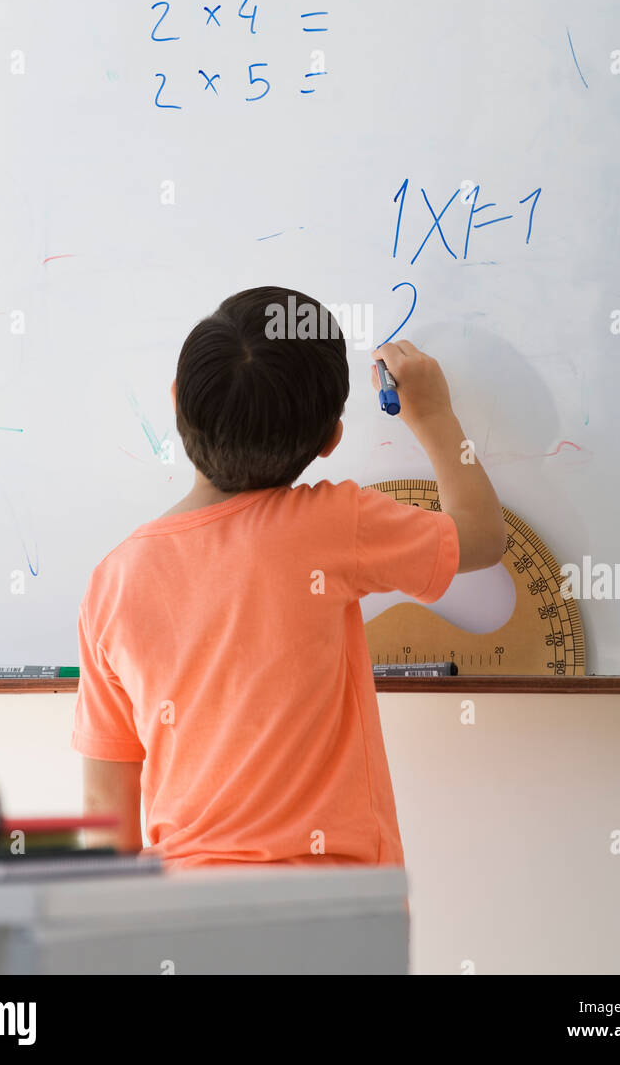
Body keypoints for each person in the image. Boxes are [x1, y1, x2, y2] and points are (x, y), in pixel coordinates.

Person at [71, 287, 505, 867]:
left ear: (177, 403)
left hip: (182, 921)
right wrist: (433, 415)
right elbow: (481, 536)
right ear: (331, 442)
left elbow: (107, 813)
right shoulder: (332, 525)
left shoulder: (113, 580)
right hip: (332, 909)